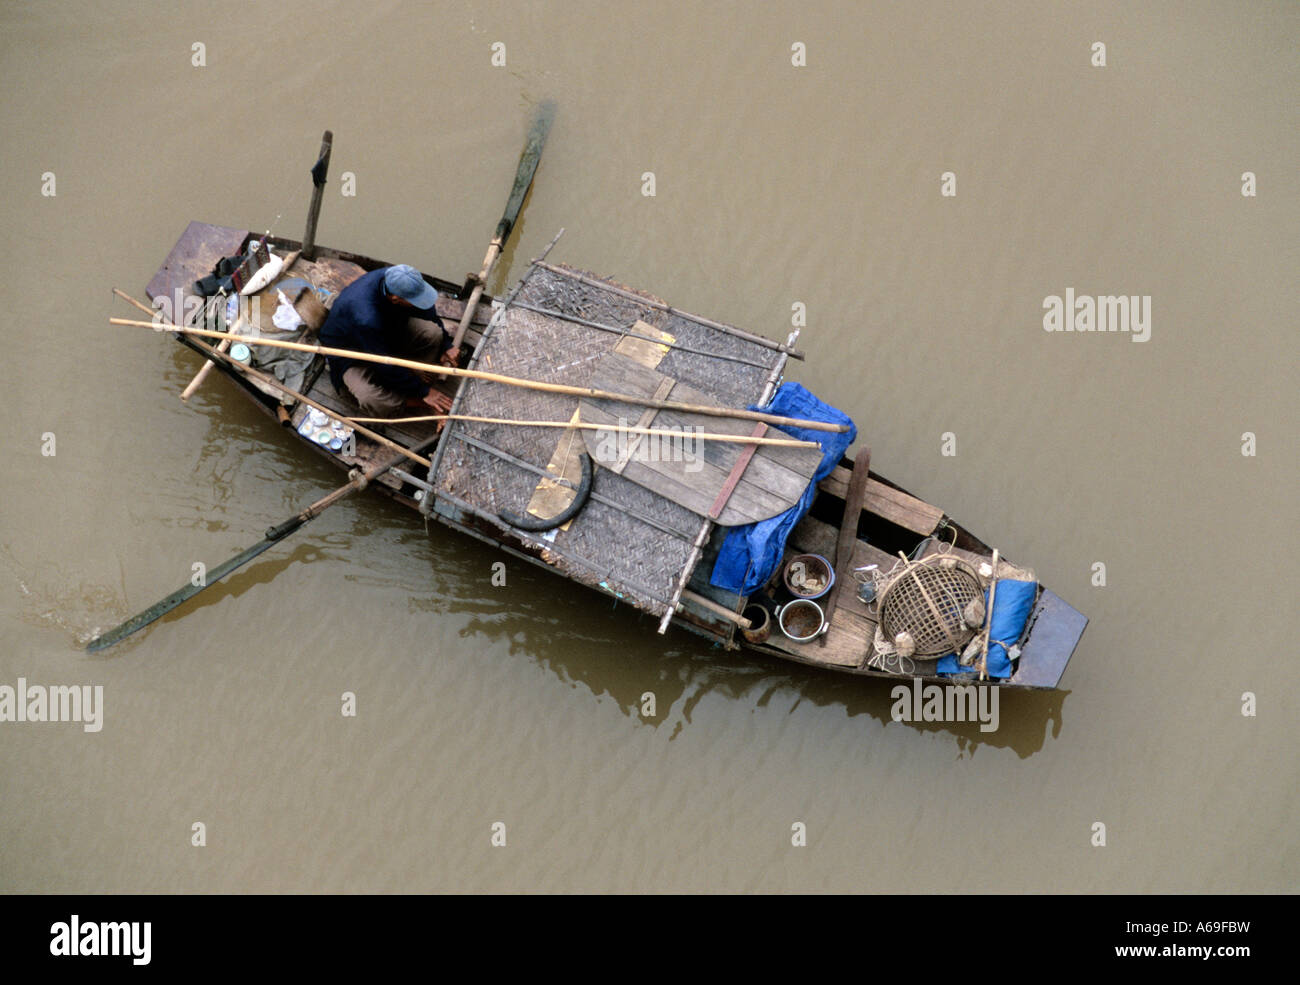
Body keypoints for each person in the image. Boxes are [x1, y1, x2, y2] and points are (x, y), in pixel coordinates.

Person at [319, 264, 457, 418]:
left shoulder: (397, 276)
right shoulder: (366, 317)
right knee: (370, 398)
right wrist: (423, 392)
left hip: (387, 330)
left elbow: (427, 309)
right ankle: (418, 401)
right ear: (395, 299)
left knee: (433, 333)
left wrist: (446, 345)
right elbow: (382, 363)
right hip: (353, 351)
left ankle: (411, 372)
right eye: (415, 301)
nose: (420, 303)